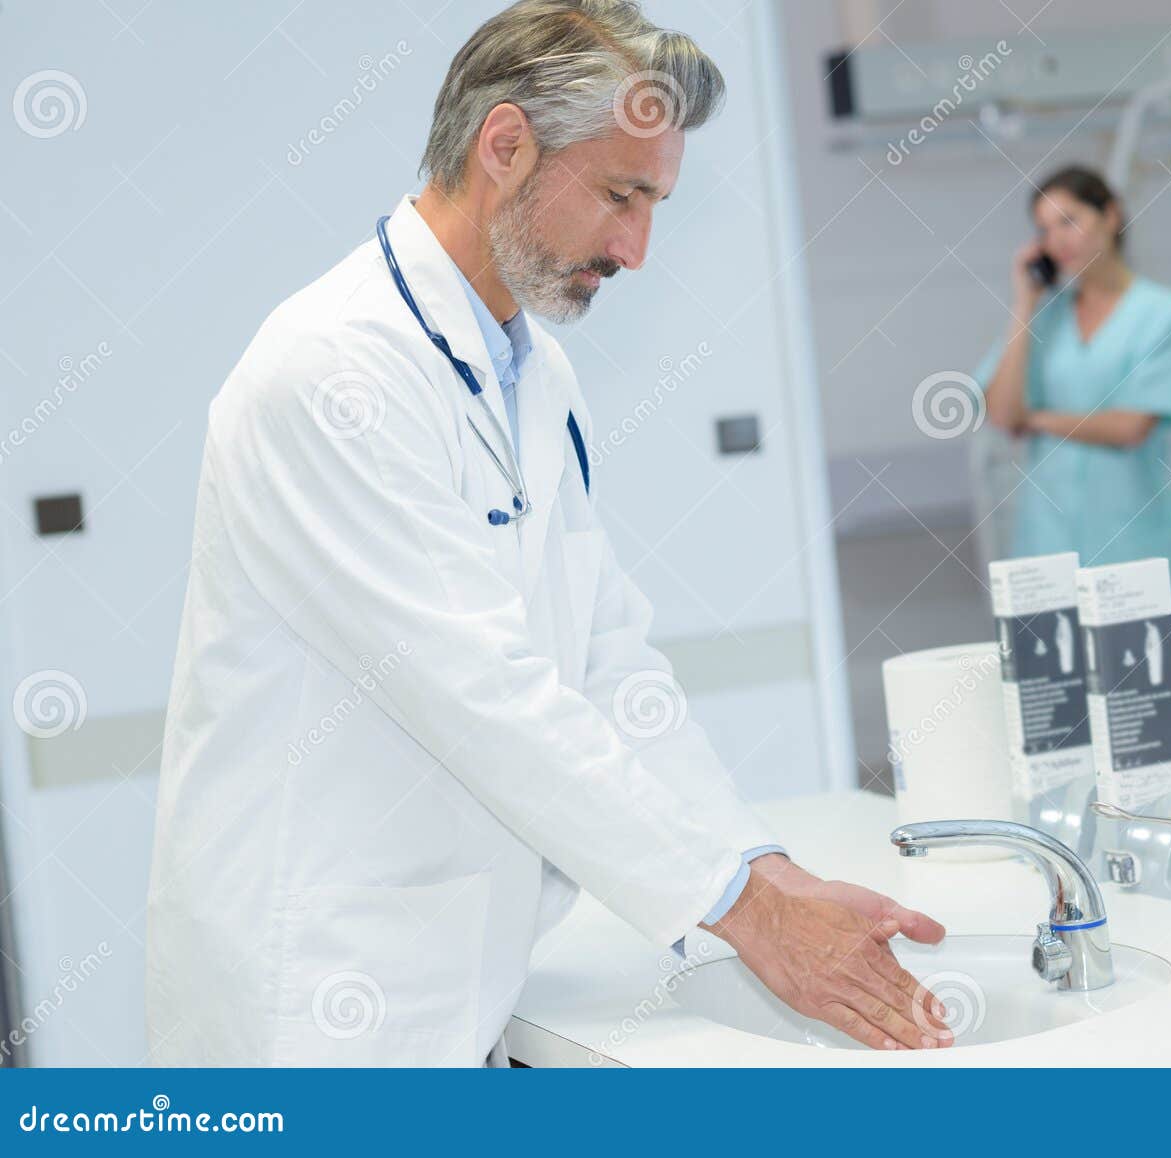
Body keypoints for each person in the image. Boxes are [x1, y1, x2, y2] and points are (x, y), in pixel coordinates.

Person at [145, 0, 949, 1066]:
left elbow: (605, 660)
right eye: (621, 195)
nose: (636, 248)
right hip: (314, 1001)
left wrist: (764, 870)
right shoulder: (333, 372)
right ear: (506, 146)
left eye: (655, 204)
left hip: (456, 978)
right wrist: (742, 910)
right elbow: (484, 693)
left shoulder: (530, 371)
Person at [977, 165, 1171, 721]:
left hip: (1133, 556)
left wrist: (1040, 419)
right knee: (1052, 737)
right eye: (1045, 229)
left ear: (1111, 215)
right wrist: (1023, 304)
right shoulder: (1044, 318)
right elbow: (1002, 412)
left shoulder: (1161, 313)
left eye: (1070, 221)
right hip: (1044, 554)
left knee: (1146, 734)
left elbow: (1130, 428)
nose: (1058, 239)